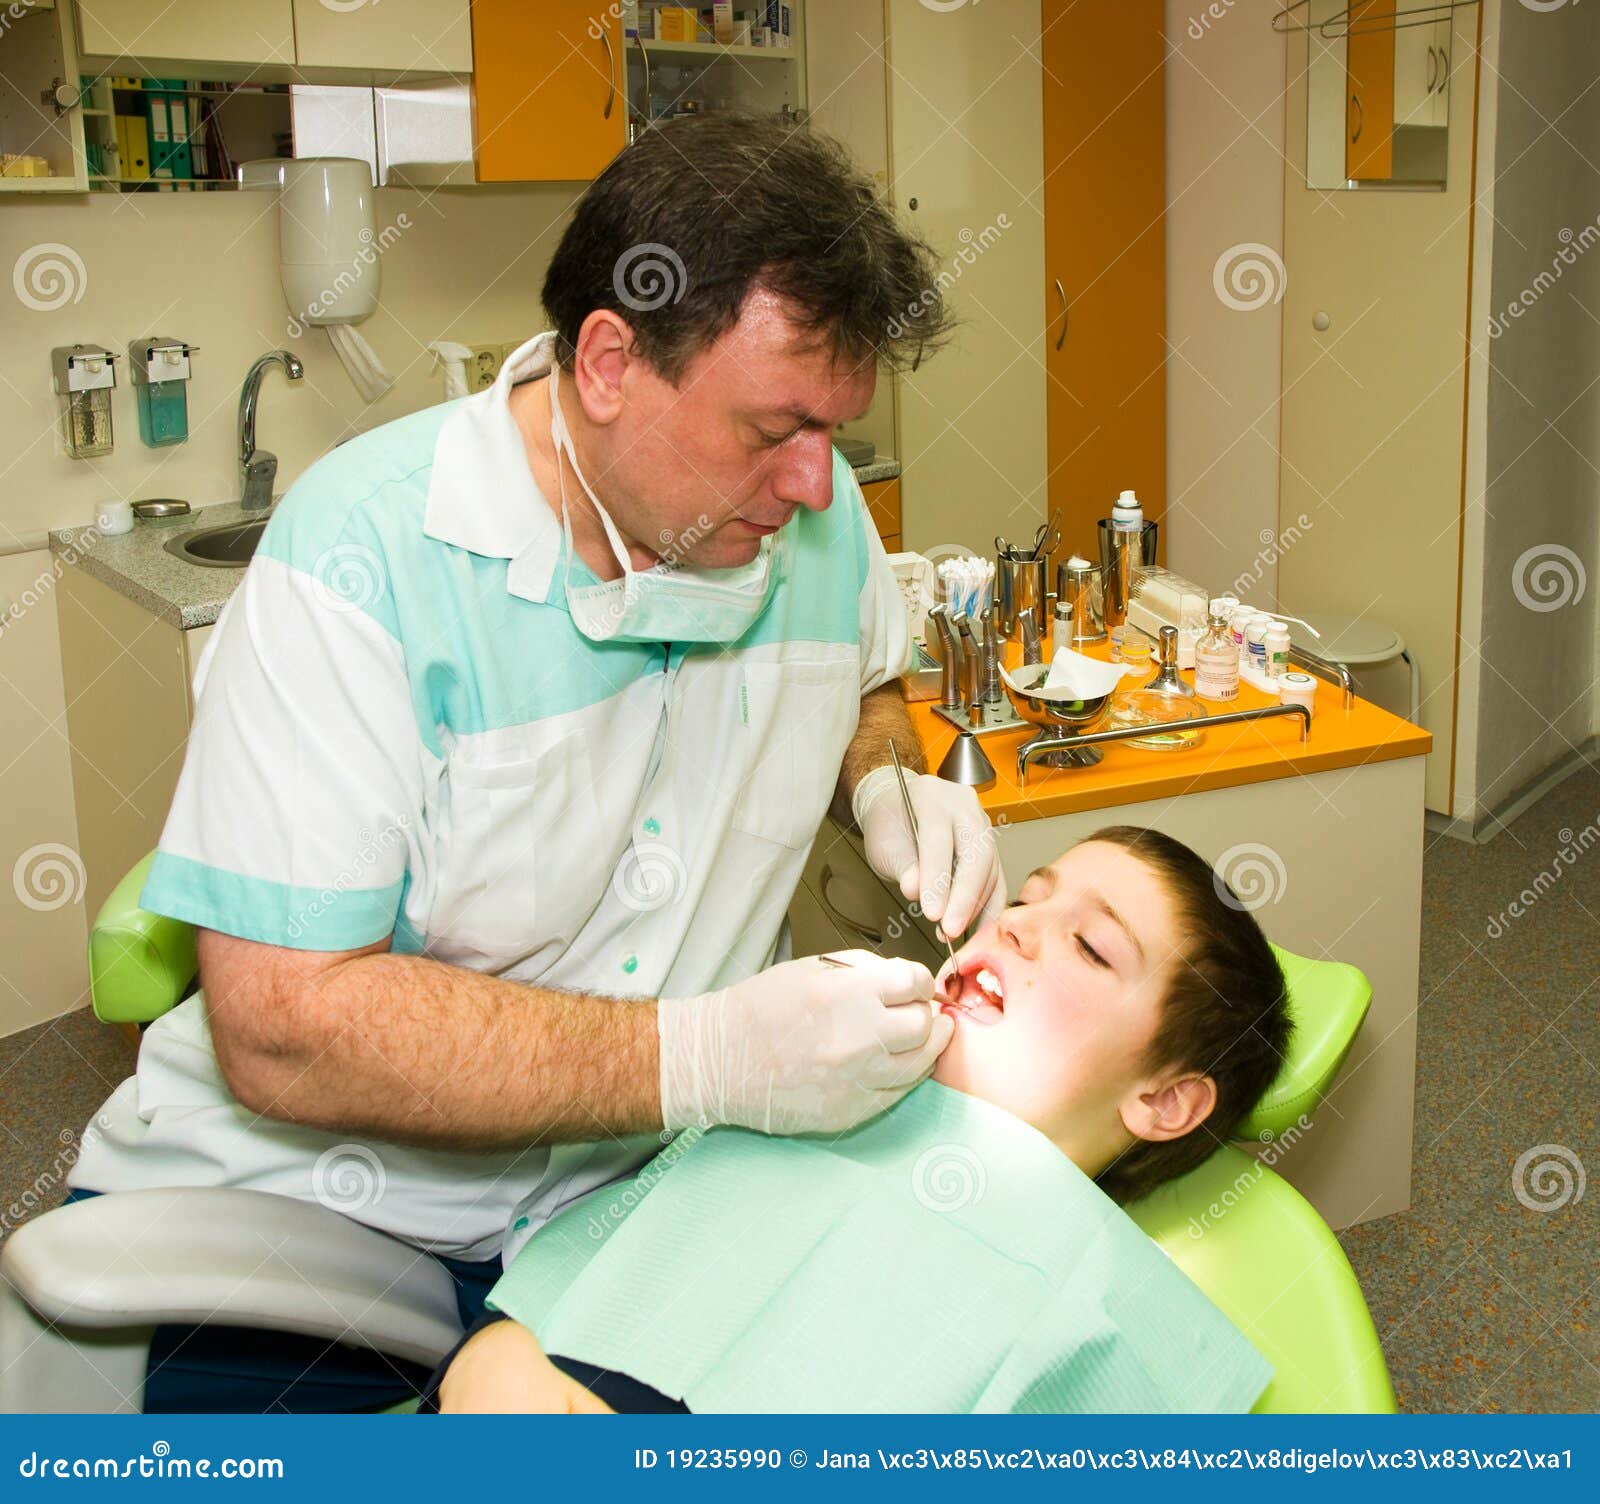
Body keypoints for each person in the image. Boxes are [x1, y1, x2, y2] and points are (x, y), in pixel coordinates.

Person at [65, 114, 1006, 1413]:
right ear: (612, 363)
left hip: (629, 1213)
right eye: (775, 428)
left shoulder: (813, 515)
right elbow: (287, 1030)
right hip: (314, 1212)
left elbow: (870, 682)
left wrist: (890, 778)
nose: (815, 484)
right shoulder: (365, 561)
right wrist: (706, 1061)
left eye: (835, 433)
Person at [434, 827, 1292, 1414]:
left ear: (1166, 1100)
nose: (1023, 929)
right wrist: (500, 1371)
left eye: (1093, 947)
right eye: (1028, 900)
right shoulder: (790, 1099)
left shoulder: (1102, 1304)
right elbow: (541, 1311)